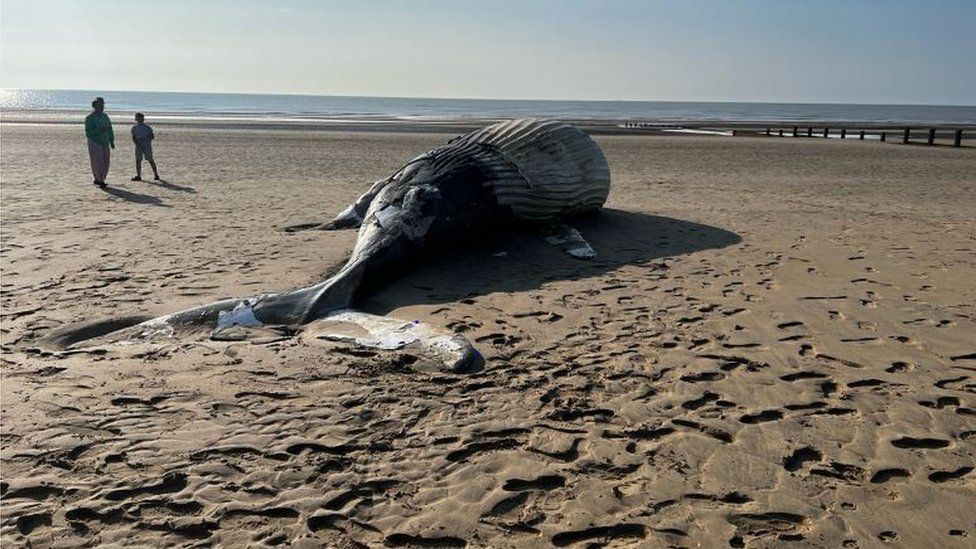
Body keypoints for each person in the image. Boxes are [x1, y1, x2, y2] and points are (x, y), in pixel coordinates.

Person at [84, 97, 114, 187]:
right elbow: (88, 131)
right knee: (97, 161)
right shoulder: (90, 118)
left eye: (102, 105)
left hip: (105, 140)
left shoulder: (105, 116)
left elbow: (110, 128)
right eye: (99, 105)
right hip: (94, 141)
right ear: (94, 106)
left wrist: (111, 140)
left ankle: (101, 178)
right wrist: (99, 130)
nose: (101, 107)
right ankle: (99, 179)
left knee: (106, 161)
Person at [130, 113, 160, 181]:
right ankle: (138, 175)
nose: (139, 119)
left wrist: (146, 140)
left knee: (150, 159)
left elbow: (152, 136)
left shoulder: (147, 127)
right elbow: (134, 137)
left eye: (140, 118)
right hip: (138, 144)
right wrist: (137, 144)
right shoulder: (134, 128)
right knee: (138, 160)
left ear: (143, 119)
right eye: (137, 118)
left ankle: (156, 174)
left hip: (146, 144)